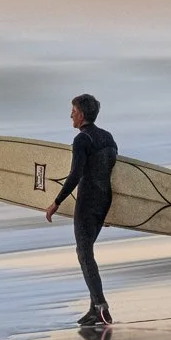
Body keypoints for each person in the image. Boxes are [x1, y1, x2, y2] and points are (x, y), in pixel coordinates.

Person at [44, 93, 118, 325]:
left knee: (84, 254)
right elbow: (114, 174)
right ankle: (93, 307)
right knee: (87, 253)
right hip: (104, 200)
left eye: (73, 112)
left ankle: (100, 305)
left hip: (87, 202)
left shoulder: (82, 140)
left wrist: (56, 201)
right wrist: (113, 210)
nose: (71, 116)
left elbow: (76, 175)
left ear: (82, 115)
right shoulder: (108, 138)